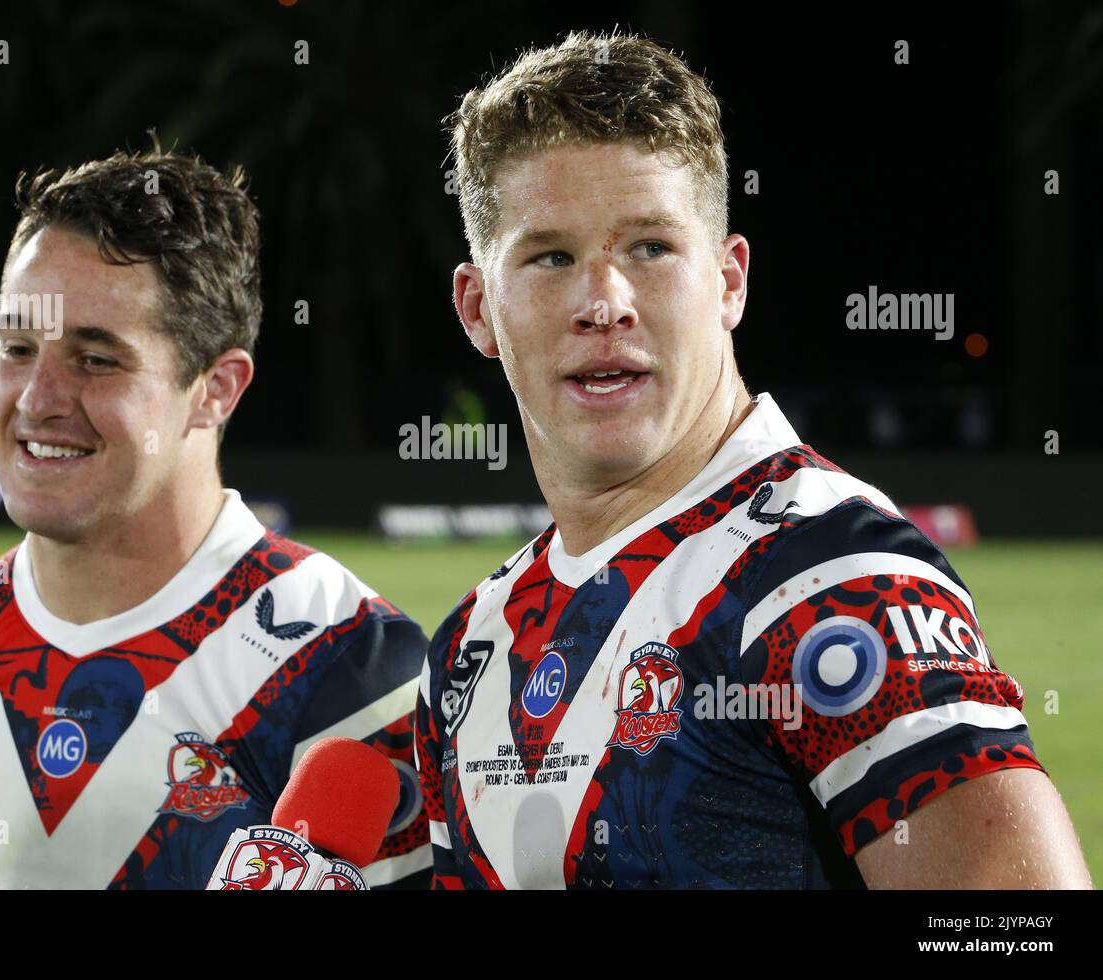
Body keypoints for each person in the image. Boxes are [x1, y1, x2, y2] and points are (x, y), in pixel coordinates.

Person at [415, 30, 1092, 889]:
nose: (604, 301)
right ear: (478, 308)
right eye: (551, 257)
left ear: (729, 281)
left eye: (651, 248)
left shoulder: (832, 580)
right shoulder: (471, 651)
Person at [0, 141, 430, 889]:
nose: (37, 398)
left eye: (96, 359)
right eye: (16, 347)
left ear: (216, 389)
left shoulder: (347, 664)